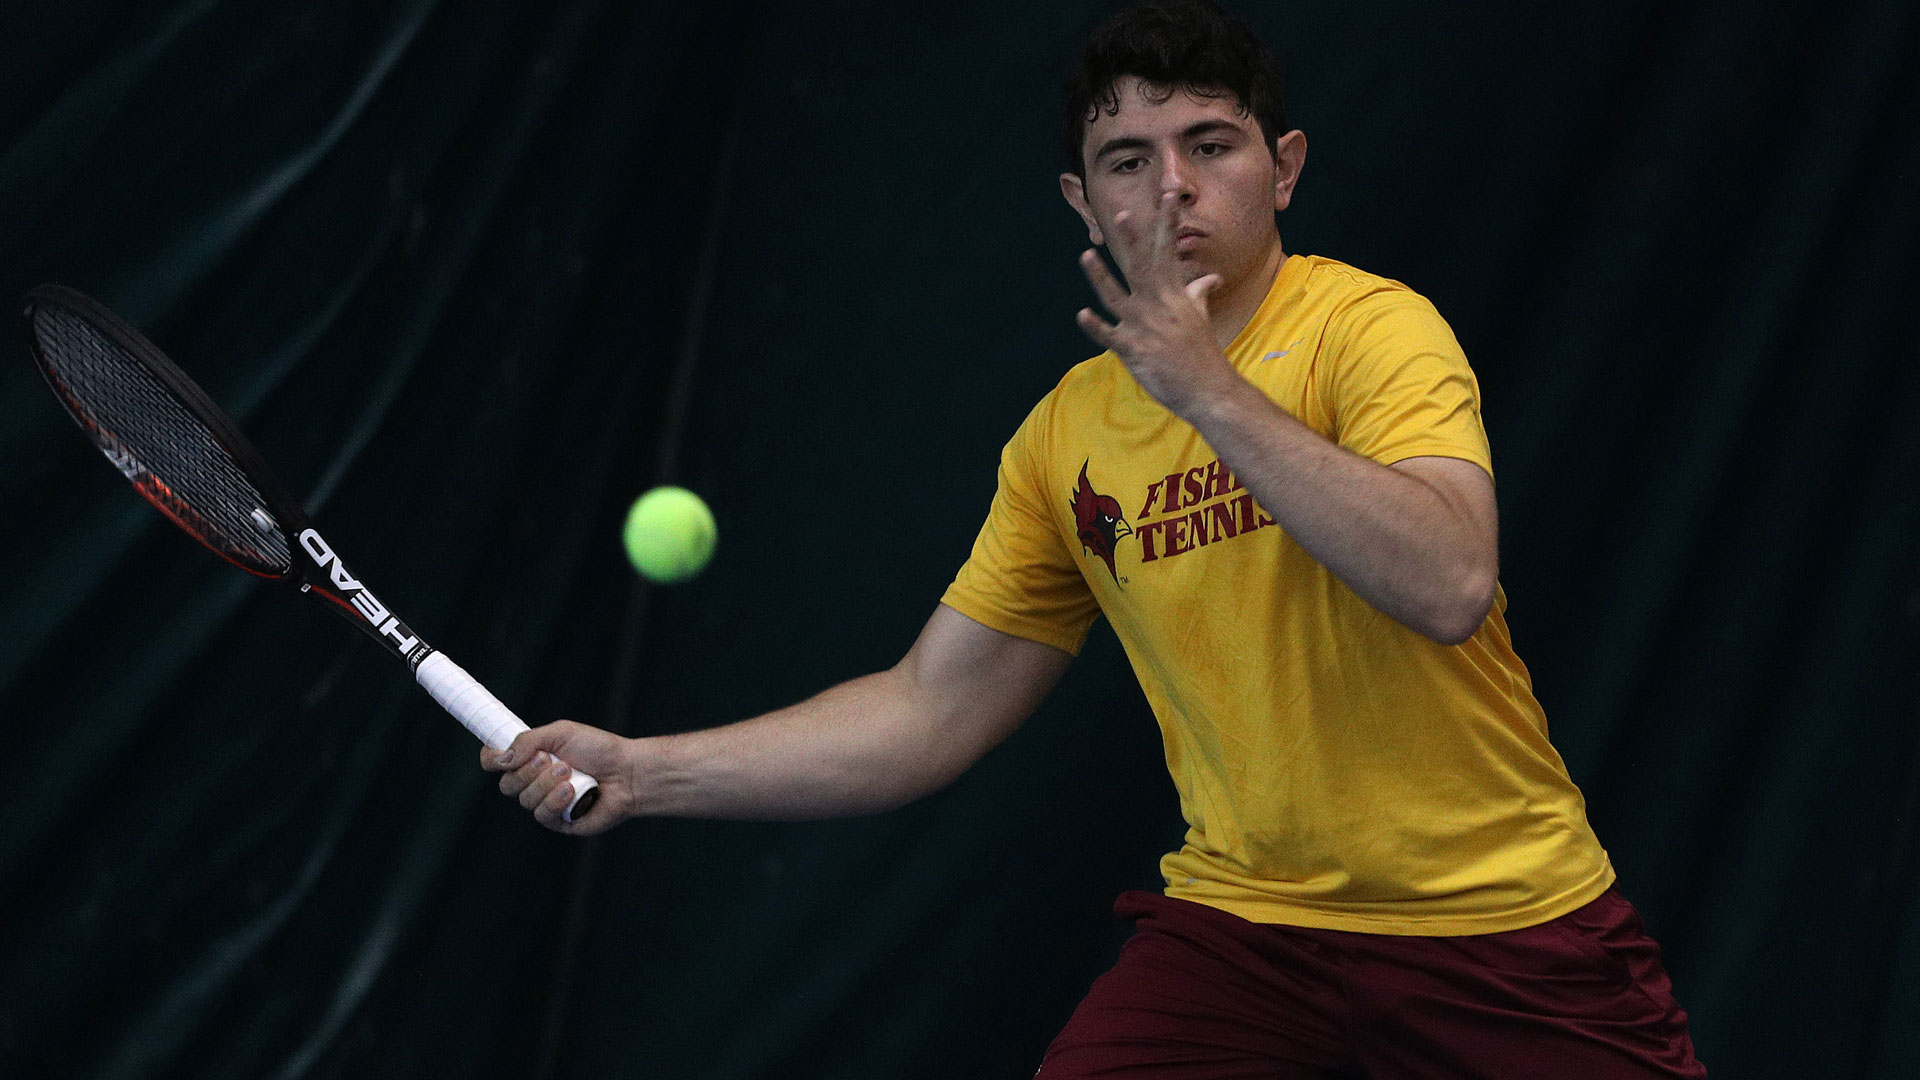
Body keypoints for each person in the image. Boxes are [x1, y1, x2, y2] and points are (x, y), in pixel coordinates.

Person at [484, 1, 1706, 1075]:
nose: (1169, 186)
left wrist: (1208, 392)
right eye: (1127, 158)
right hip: (1247, 931)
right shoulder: (1062, 439)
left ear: (1282, 169)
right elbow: (928, 711)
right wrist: (646, 774)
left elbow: (1447, 580)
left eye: (1209, 146)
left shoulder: (1371, 332)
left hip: (1495, 925)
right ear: (1083, 198)